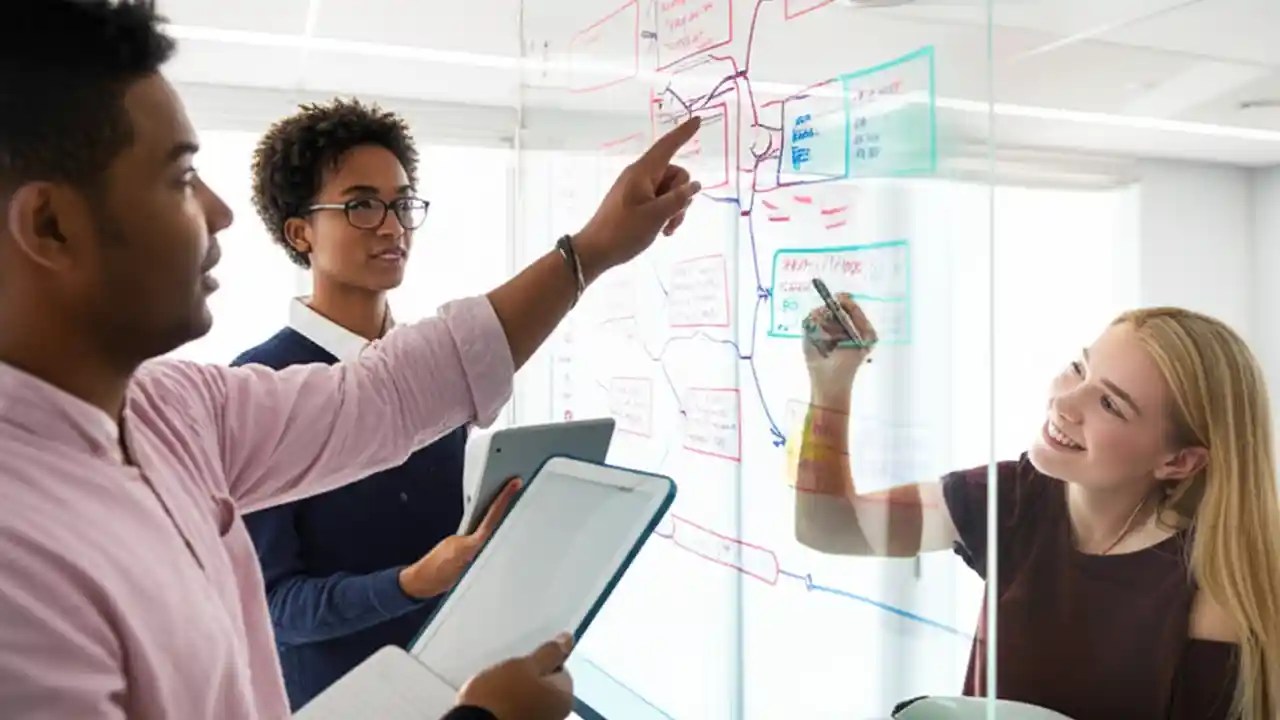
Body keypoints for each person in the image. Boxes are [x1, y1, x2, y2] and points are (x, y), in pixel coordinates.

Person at [0, 2, 701, 719]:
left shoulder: (167, 408)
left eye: (400, 204)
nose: (219, 213)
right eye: (181, 178)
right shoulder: (18, 568)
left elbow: (389, 395)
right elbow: (290, 599)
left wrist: (590, 253)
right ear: (51, 225)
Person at [790, 297, 1280, 719]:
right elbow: (830, 527)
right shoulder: (1012, 496)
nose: (1067, 402)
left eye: (1111, 404)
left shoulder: (1214, 582)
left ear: (1178, 461)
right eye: (1080, 369)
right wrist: (831, 386)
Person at [230, 98, 518, 710]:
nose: (392, 226)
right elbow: (276, 608)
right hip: (342, 700)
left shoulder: (435, 373)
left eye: (402, 203)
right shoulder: (259, 384)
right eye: (361, 205)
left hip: (457, 685)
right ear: (300, 231)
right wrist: (411, 583)